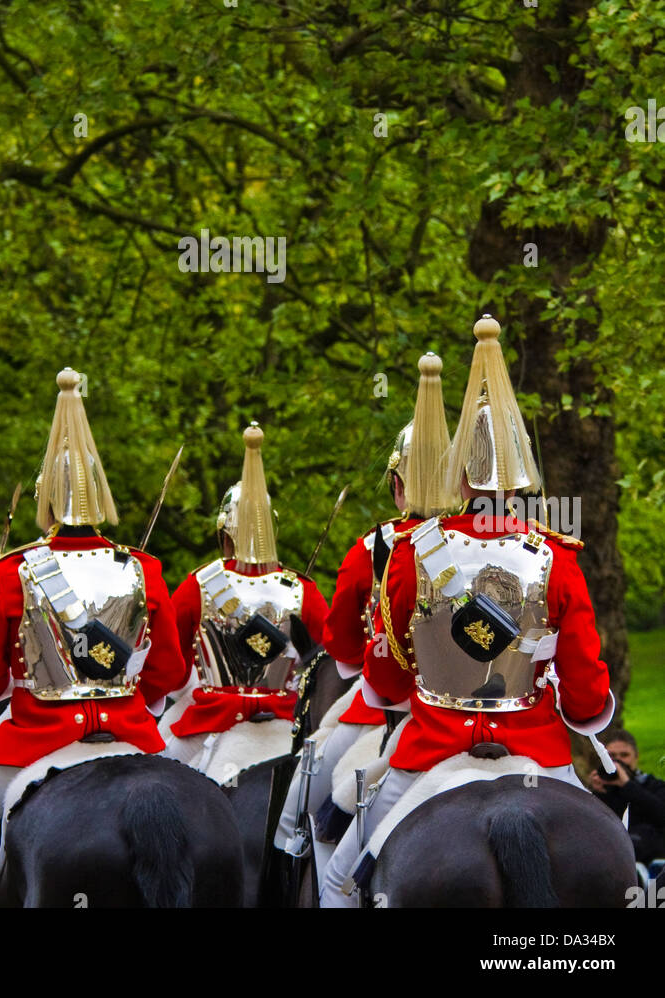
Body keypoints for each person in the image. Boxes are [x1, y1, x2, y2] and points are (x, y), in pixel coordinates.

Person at [321, 314, 614, 907]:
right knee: (616, 857)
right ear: (522, 470)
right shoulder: (556, 556)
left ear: (456, 467)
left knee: (337, 882)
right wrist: (585, 713)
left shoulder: (411, 552)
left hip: (432, 744)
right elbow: (584, 695)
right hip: (537, 750)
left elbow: (387, 677)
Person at [0, 367, 186, 881]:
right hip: (135, 738)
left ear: (44, 500)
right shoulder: (145, 568)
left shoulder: (14, 571)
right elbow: (169, 672)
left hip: (35, 738)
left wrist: (16, 679)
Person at [275, 352, 449, 856]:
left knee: (301, 808)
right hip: (501, 710)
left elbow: (345, 651)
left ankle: (297, 854)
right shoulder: (501, 544)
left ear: (398, 485)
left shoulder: (374, 549)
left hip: (389, 707)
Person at [164, 422, 327, 773]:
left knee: (152, 769)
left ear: (224, 532)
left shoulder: (198, 585)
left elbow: (171, 666)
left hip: (210, 720)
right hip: (282, 720)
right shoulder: (303, 590)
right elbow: (325, 665)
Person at [590, 729, 665, 867]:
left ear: (636, 757)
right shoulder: (602, 789)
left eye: (624, 755)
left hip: (648, 854)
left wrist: (627, 785)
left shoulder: (653, 786)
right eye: (612, 756)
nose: (618, 761)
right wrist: (597, 793)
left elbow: (660, 814)